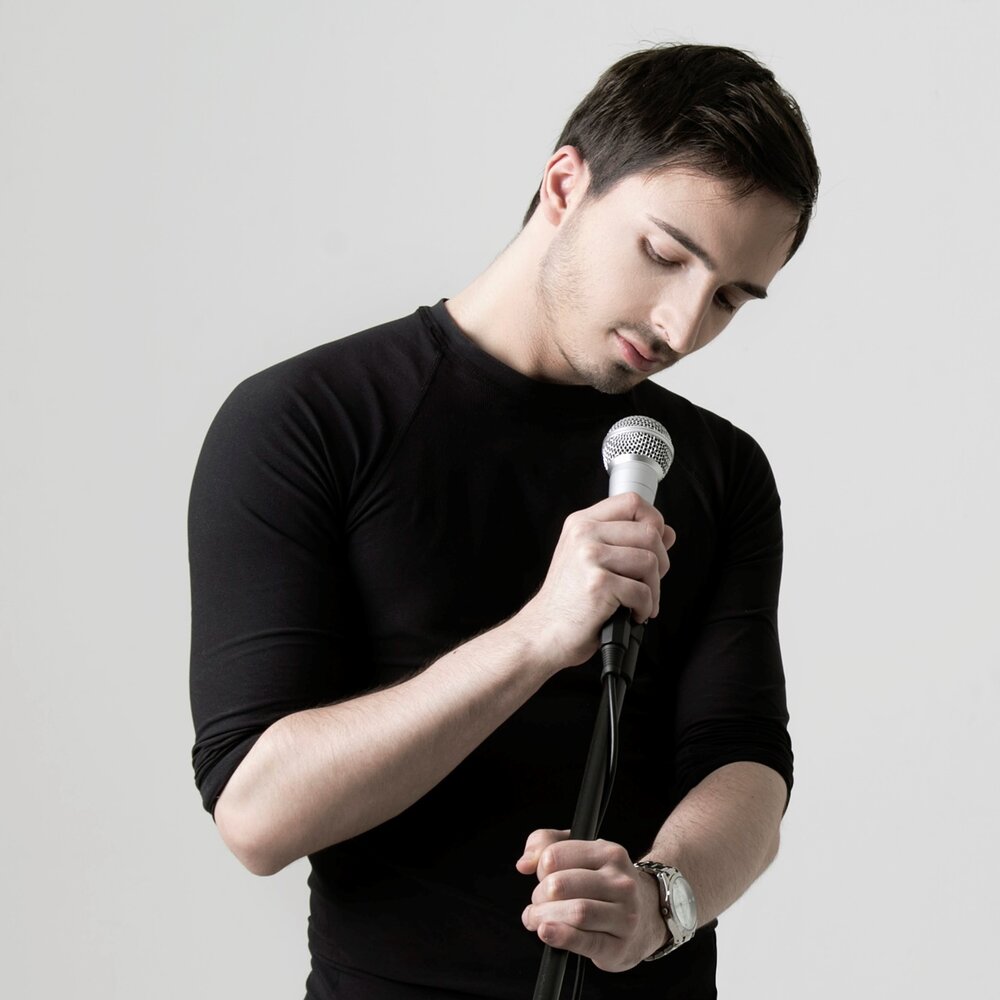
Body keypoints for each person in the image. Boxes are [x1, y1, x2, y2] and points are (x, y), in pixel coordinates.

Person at [188, 42, 819, 999]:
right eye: (664, 255)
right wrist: (536, 636)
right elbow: (258, 816)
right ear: (565, 184)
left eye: (729, 297)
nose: (683, 326)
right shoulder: (309, 421)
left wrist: (662, 902)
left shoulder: (720, 470)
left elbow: (746, 763)